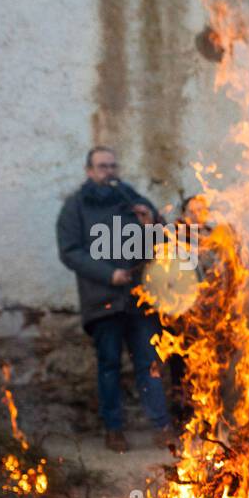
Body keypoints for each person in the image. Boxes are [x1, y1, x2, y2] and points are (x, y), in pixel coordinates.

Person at [56, 146, 173, 453]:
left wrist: (151, 226)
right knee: (109, 365)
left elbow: (162, 241)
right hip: (102, 300)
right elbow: (70, 252)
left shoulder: (133, 200)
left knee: (149, 363)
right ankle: (114, 430)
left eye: (112, 165)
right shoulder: (76, 207)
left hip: (139, 299)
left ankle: (161, 426)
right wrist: (109, 275)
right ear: (89, 171)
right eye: (102, 166)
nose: (109, 172)